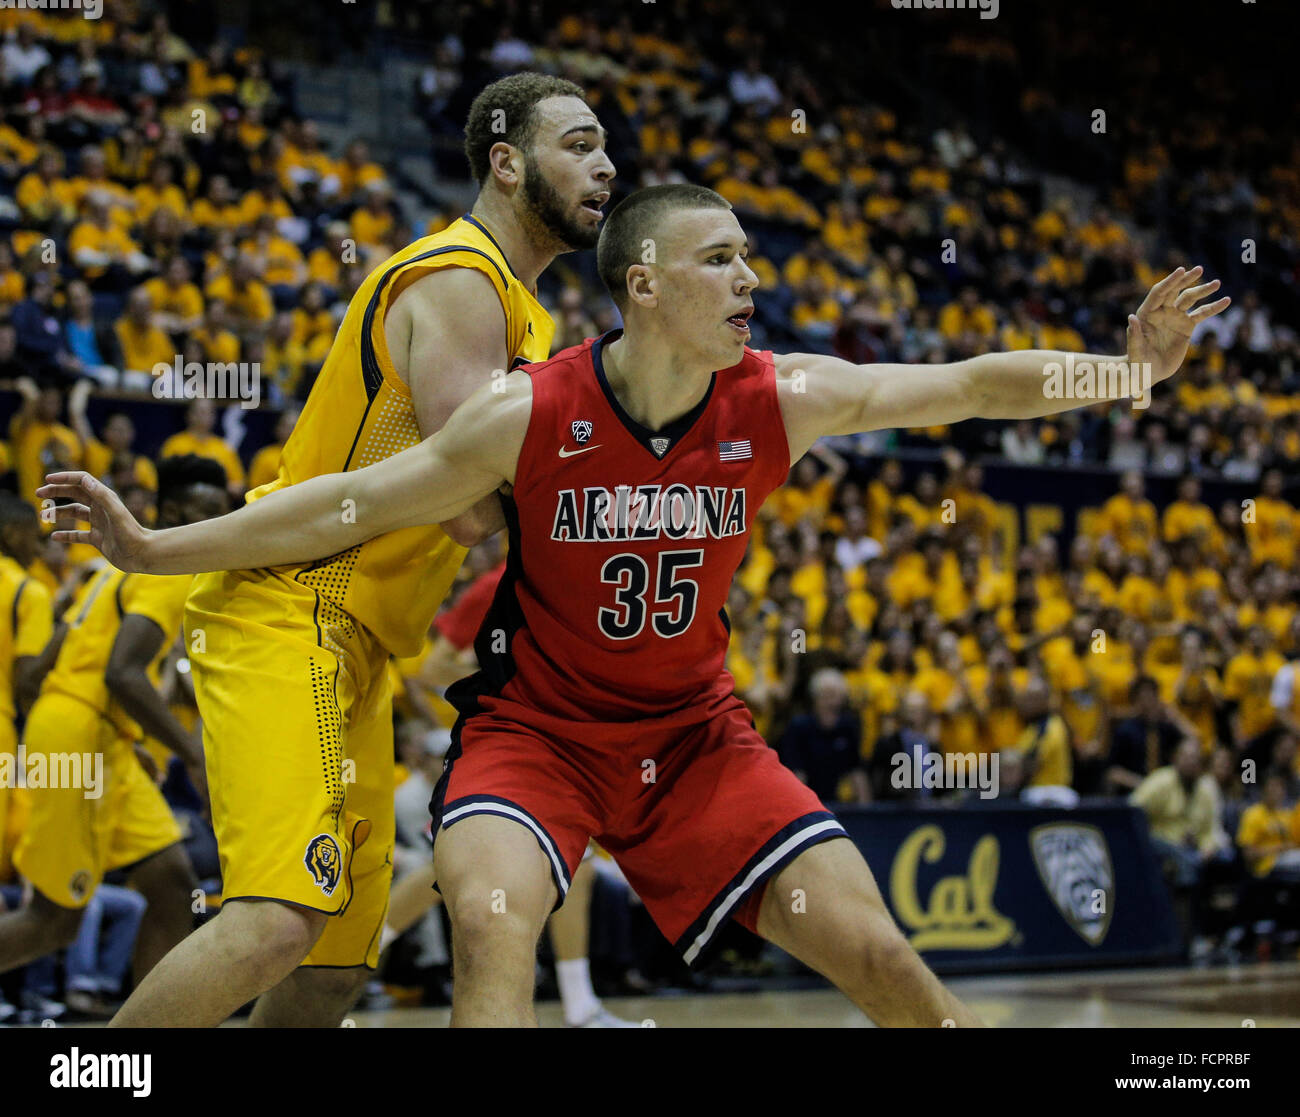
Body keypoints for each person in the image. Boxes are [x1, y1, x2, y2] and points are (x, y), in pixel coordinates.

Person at [45, 184, 1229, 1027]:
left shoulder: (782, 397)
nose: (750, 278)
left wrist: (1123, 371)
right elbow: (345, 505)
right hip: (534, 743)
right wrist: (153, 545)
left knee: (881, 958)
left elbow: (969, 386)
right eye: (722, 258)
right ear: (644, 283)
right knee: (494, 936)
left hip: (695, 739)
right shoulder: (525, 413)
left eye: (750, 257)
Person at [58, 72, 613, 1029]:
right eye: (579, 143)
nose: (605, 164)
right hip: (291, 610)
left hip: (359, 644)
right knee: (276, 923)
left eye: (605, 147)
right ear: (507, 163)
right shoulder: (460, 281)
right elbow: (467, 509)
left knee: (334, 963)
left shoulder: (525, 314)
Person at [0, 457, 228, 986]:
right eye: (208, 512)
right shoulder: (167, 565)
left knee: (173, 885)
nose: (218, 524)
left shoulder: (112, 564)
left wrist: (120, 732)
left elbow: (53, 665)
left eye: (224, 512)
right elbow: (122, 674)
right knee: (55, 919)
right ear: (172, 512)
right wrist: (193, 755)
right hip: (81, 737)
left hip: (101, 735)